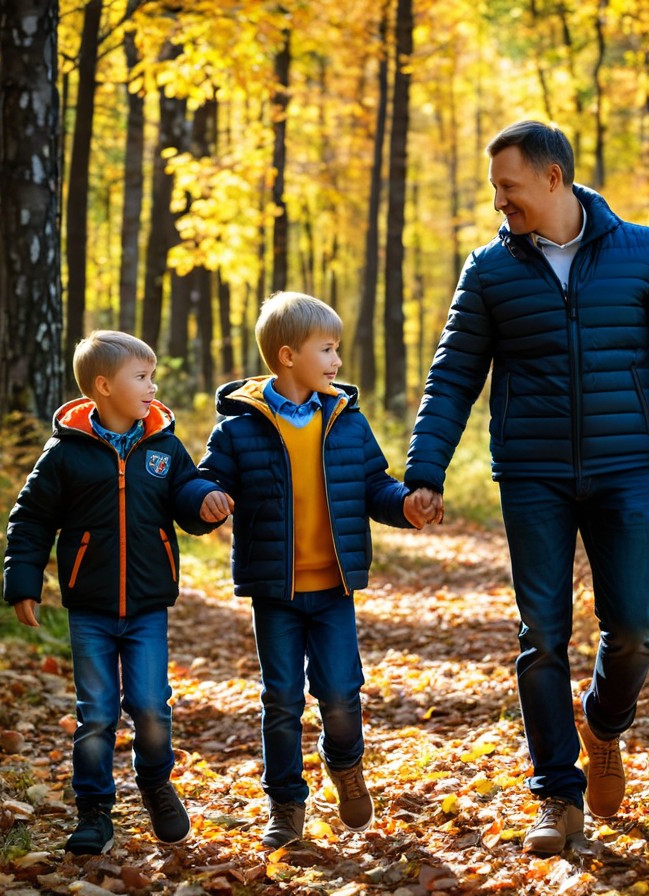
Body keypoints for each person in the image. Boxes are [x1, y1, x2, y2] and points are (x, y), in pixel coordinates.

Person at [404, 120, 649, 855]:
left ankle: (605, 726)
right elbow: (453, 374)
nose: (500, 202)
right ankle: (556, 794)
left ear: (553, 179)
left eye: (509, 186)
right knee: (542, 638)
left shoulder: (642, 251)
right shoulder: (489, 270)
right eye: (496, 189)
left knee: (635, 629)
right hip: (532, 475)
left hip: (623, 470)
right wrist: (424, 472)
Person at [190, 291, 435, 850]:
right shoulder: (239, 429)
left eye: (337, 349)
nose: (336, 361)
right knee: (281, 699)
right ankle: (286, 804)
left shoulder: (346, 421)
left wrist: (405, 505)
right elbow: (209, 481)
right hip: (276, 591)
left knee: (342, 694)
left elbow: (375, 485)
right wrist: (204, 499)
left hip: (333, 588)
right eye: (326, 349)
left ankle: (344, 763)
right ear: (286, 356)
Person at [3, 330, 210, 856]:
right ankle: (94, 809)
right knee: (96, 712)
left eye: (152, 375)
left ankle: (157, 785)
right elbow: (30, 519)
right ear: (103, 386)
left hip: (146, 606)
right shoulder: (66, 454)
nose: (152, 386)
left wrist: (204, 499)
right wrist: (24, 581)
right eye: (140, 377)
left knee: (149, 705)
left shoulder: (163, 444)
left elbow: (185, 493)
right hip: (90, 607)